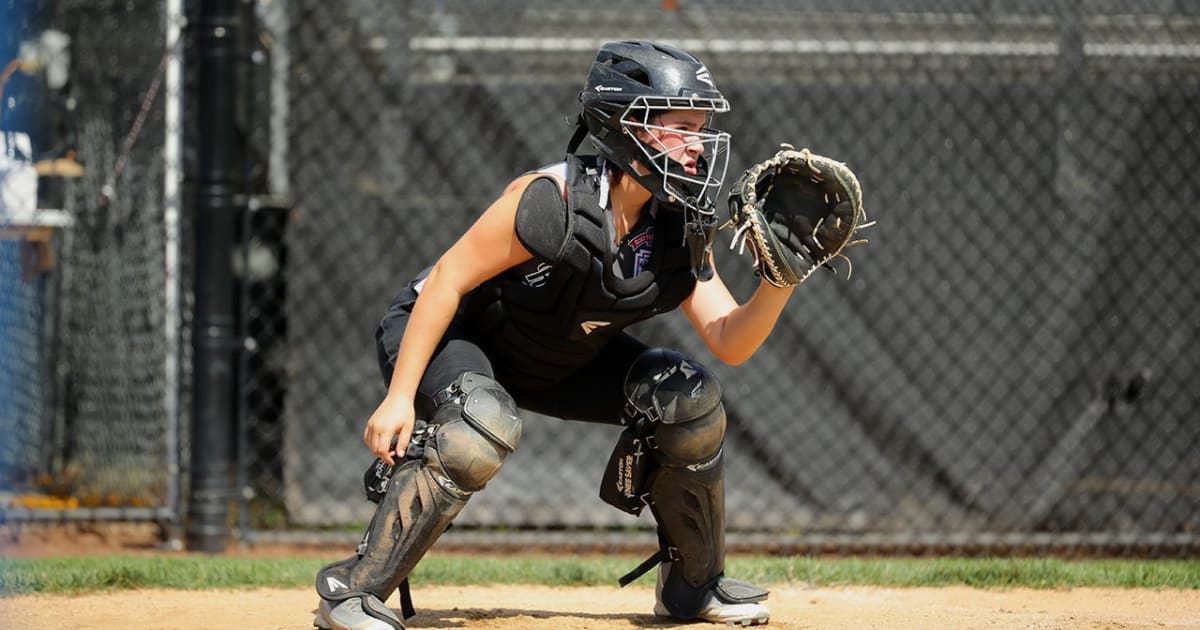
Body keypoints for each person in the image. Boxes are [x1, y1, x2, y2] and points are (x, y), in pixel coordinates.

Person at [314, 40, 792, 629]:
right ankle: (352, 592)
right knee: (478, 426)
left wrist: (779, 282)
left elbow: (728, 340)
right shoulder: (552, 201)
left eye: (701, 129)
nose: (698, 144)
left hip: (555, 354)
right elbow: (444, 282)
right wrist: (400, 397)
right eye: (681, 127)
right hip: (453, 333)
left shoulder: (679, 223)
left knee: (689, 400)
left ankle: (694, 588)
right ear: (625, 125)